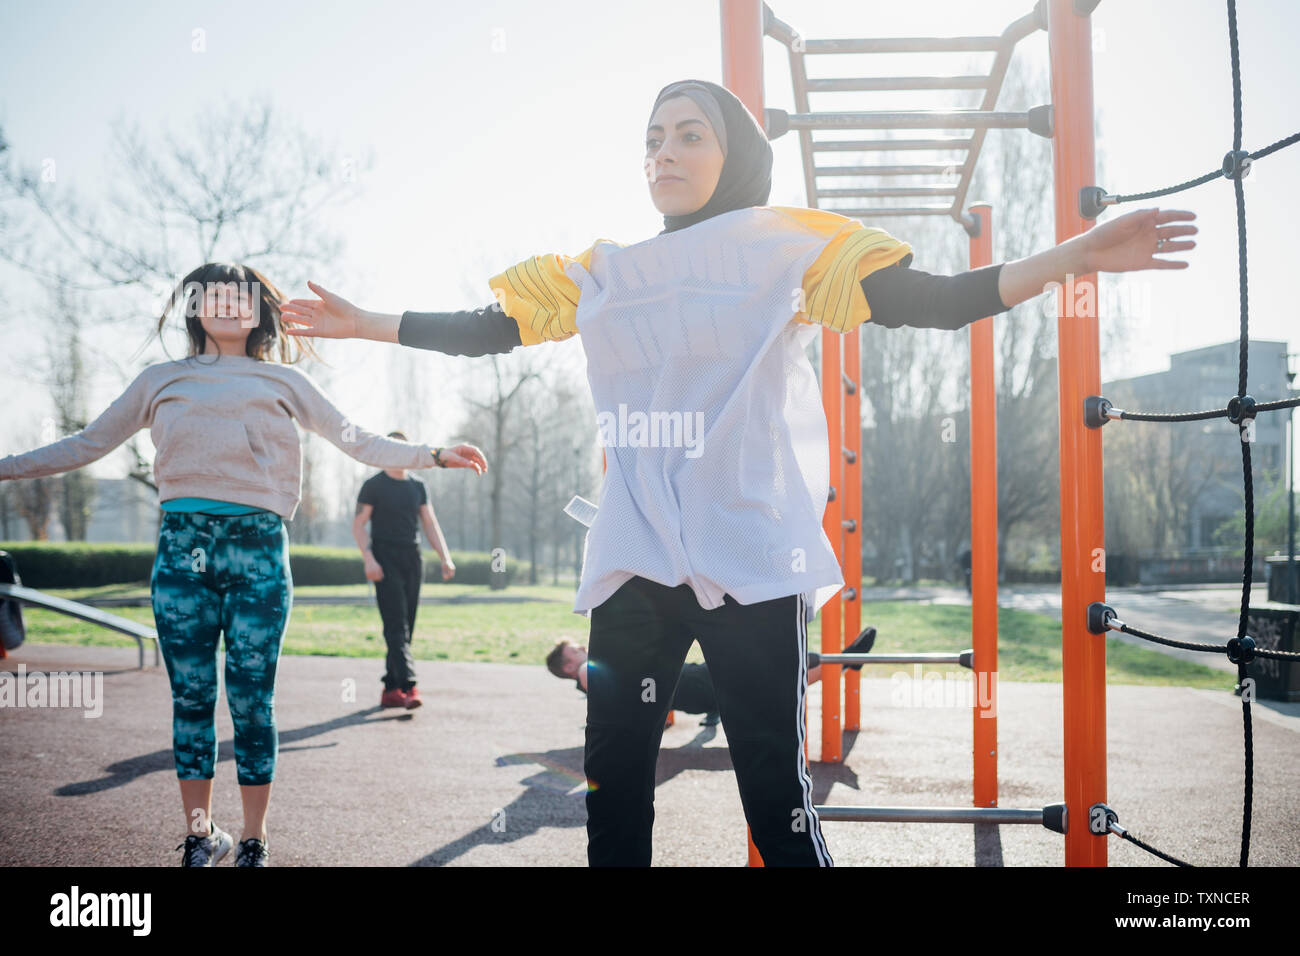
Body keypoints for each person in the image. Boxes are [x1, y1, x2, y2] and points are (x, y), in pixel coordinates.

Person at [278, 78, 1196, 866]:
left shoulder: (783, 245)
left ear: (736, 153)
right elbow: (490, 329)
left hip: (747, 551)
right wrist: (370, 324)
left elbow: (938, 304)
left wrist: (1072, 256)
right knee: (615, 788)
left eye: (688, 134)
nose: (663, 152)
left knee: (773, 792)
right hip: (636, 553)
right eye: (650, 139)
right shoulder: (609, 270)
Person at [0, 262, 488, 867]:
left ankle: (254, 840)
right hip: (183, 552)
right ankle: (201, 836)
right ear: (193, 307)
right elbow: (87, 443)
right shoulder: (160, 380)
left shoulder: (283, 381)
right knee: (193, 699)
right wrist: (7, 465)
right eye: (214, 294)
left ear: (260, 311)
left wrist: (434, 454)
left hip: (258, 550)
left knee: (254, 701)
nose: (229, 304)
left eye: (242, 296)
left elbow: (355, 437)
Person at [546, 626, 877, 724]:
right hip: (694, 689)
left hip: (692, 683)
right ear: (567, 666)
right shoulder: (587, 676)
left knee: (769, 675)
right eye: (574, 650)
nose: (581, 648)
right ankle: (844, 662)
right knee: (769, 675)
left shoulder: (592, 673)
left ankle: (843, 663)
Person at [353, 431, 457, 709]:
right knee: (396, 625)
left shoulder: (418, 486)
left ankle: (390, 687)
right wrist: (369, 558)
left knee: (406, 627)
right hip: (384, 558)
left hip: (412, 558)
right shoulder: (373, 486)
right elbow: (359, 525)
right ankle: (409, 686)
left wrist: (445, 557)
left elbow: (430, 523)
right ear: (385, 452)